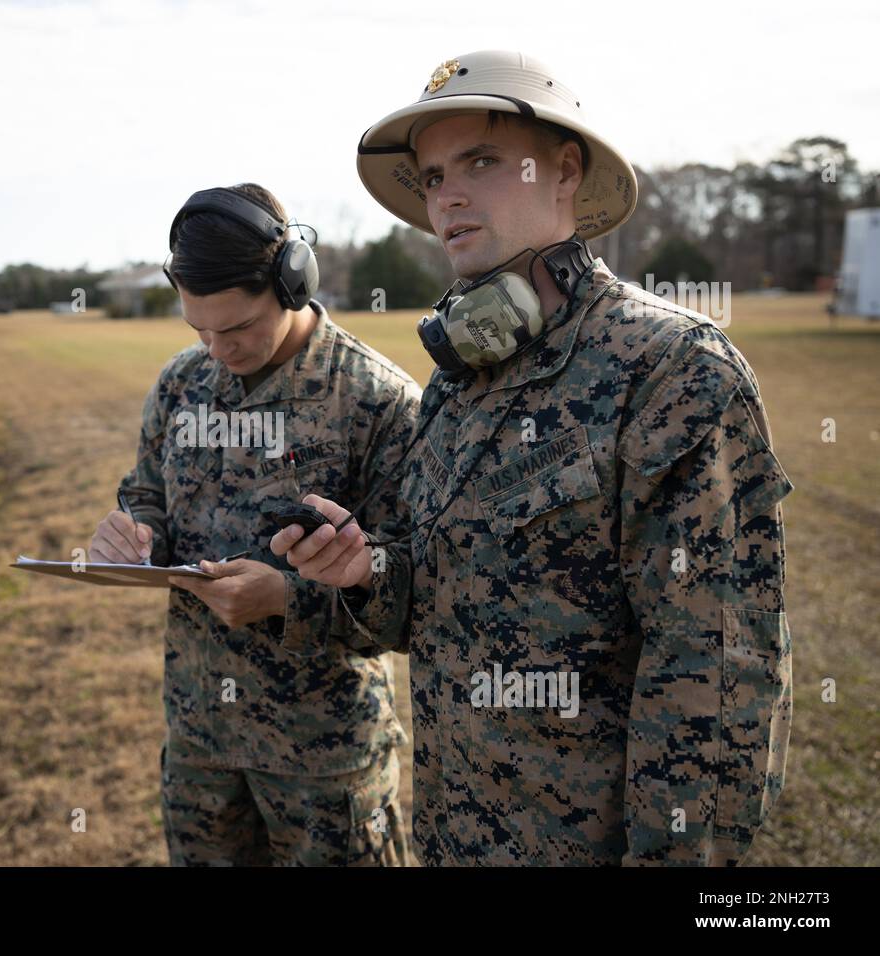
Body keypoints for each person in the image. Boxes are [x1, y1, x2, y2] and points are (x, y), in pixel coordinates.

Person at [271, 50, 793, 866]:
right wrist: (365, 569)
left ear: (564, 170)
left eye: (481, 161)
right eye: (434, 174)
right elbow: (433, 600)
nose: (447, 194)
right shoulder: (457, 384)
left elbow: (715, 673)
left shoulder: (669, 369)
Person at [90, 183, 421, 865]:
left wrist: (285, 599)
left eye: (236, 329)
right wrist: (133, 533)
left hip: (324, 764)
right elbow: (145, 493)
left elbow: (414, 599)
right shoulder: (180, 386)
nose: (215, 349)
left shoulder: (379, 403)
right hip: (199, 743)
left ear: (292, 284)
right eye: (199, 330)